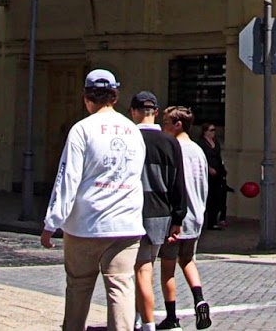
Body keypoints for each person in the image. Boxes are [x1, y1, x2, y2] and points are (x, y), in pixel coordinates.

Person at [40, 69, 147, 331]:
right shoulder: (132, 131)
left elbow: (68, 178)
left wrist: (52, 222)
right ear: (115, 96)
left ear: (87, 98)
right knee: (121, 285)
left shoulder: (82, 129)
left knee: (79, 285)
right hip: (126, 224)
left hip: (86, 225)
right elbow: (137, 176)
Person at [131, 90, 187, 331]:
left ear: (134, 111)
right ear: (155, 112)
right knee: (146, 266)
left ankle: (147, 324)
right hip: (161, 213)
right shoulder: (170, 142)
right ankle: (136, 318)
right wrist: (178, 218)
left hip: (132, 211)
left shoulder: (130, 137)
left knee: (140, 270)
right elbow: (178, 183)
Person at [159, 106, 213, 330]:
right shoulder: (198, 150)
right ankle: (199, 299)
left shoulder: (173, 148)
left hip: (176, 219)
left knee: (167, 267)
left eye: (166, 123)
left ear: (178, 124)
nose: (163, 127)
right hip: (196, 215)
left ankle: (171, 317)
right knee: (188, 260)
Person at [200, 123, 228, 230]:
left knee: (218, 197)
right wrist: (208, 168)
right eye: (211, 130)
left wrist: (223, 169)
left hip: (218, 172)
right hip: (208, 174)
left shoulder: (216, 143)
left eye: (214, 130)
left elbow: (218, 156)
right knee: (209, 198)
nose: (213, 132)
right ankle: (208, 222)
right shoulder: (201, 143)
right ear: (205, 132)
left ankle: (216, 220)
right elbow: (202, 158)